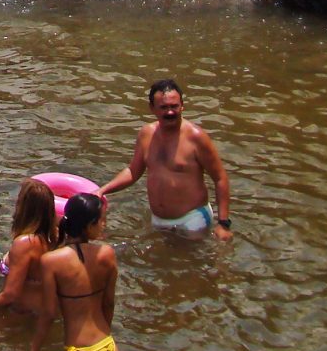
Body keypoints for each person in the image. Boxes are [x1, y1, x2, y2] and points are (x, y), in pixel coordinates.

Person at [97, 77, 233, 239]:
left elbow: (220, 178)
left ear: (182, 105)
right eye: (163, 107)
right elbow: (133, 171)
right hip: (158, 220)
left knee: (192, 262)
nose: (169, 112)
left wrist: (223, 223)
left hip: (192, 219)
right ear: (152, 108)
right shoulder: (146, 134)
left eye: (174, 106)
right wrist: (102, 190)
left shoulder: (196, 137)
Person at [28, 192, 119, 351]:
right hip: (109, 348)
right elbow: (109, 303)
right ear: (87, 227)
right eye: (100, 220)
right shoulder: (107, 254)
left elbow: (49, 313)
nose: (104, 225)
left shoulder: (51, 261)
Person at [0, 177, 58, 317]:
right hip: (37, 313)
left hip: (18, 313)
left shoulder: (25, 243)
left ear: (24, 206)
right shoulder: (53, 238)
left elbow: (11, 293)